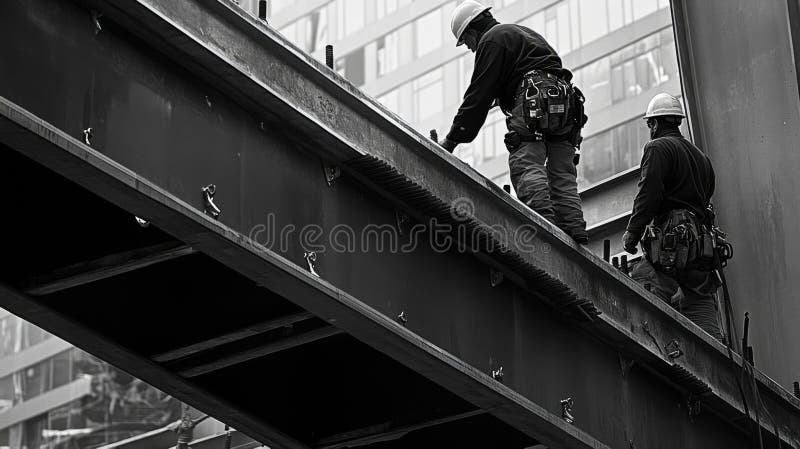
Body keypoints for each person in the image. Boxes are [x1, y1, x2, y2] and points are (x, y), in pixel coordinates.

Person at [438, 0, 588, 243]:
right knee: (562, 171)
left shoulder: (491, 39)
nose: (471, 48)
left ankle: (545, 227)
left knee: (526, 163)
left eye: (467, 42)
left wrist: (453, 138)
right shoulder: (521, 33)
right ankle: (575, 229)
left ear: (472, 32)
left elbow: (477, 95)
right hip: (565, 105)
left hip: (534, 103)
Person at [622, 93, 723, 341]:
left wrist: (632, 233)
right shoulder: (703, 159)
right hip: (700, 248)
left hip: (669, 244)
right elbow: (706, 199)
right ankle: (711, 357)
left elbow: (649, 193)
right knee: (700, 302)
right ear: (676, 121)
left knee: (647, 284)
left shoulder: (657, 147)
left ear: (653, 124)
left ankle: (651, 345)